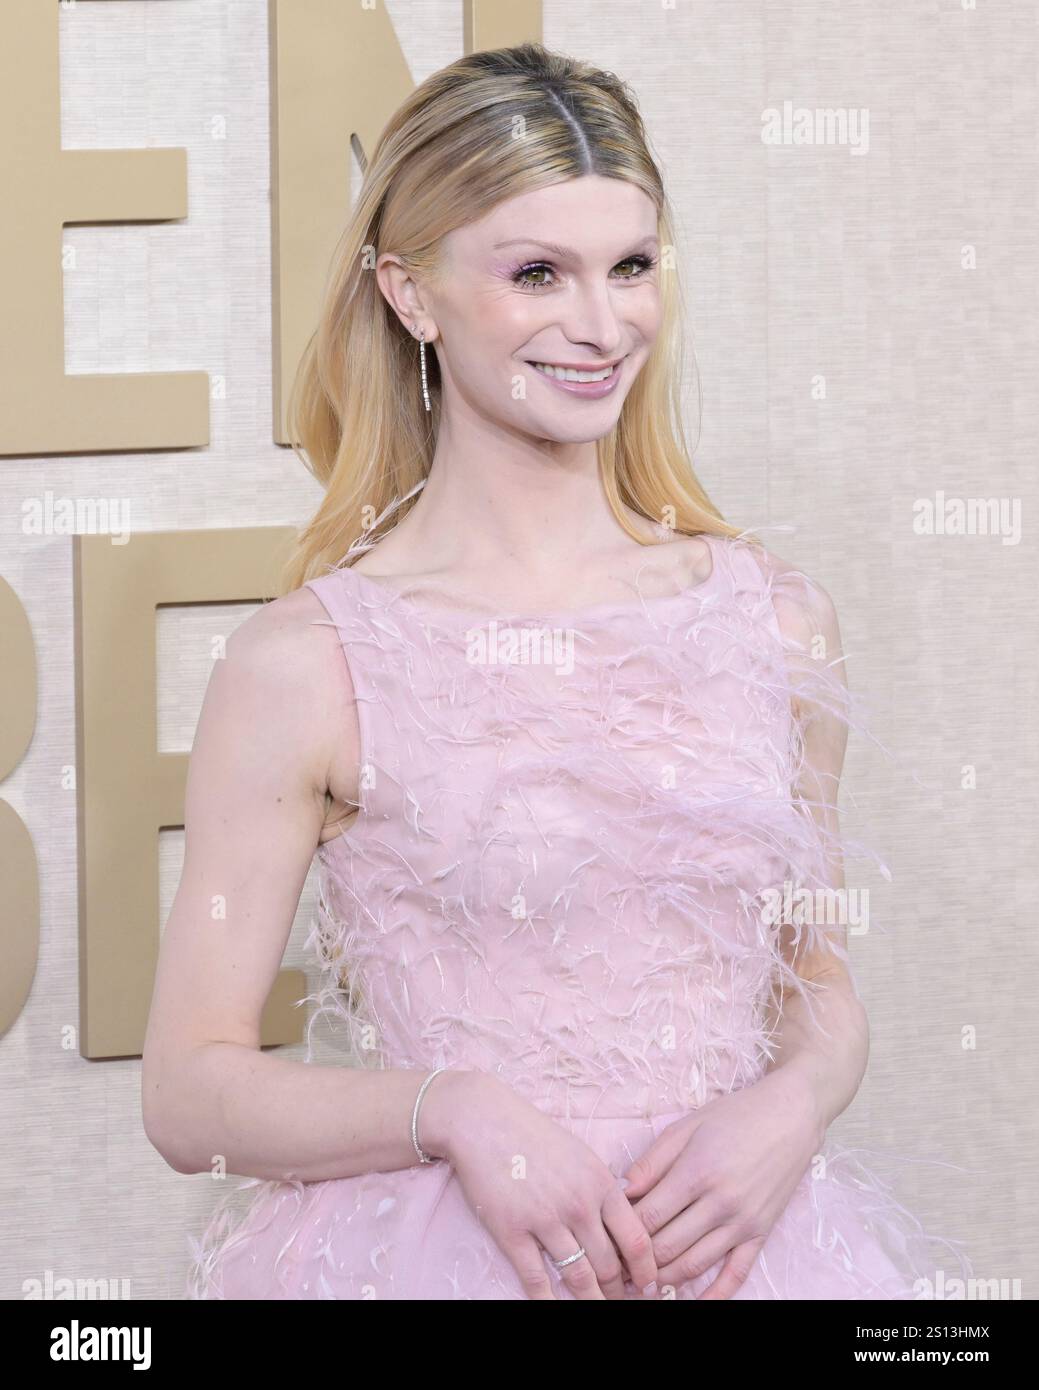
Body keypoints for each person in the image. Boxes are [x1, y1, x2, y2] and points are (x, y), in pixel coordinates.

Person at [142, 42, 973, 1300]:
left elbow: (815, 971)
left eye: (629, 267)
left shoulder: (774, 620)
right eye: (537, 273)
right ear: (409, 294)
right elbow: (187, 1092)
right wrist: (455, 1110)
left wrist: (794, 1104)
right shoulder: (307, 663)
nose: (600, 325)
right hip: (444, 1263)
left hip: (750, 1253)